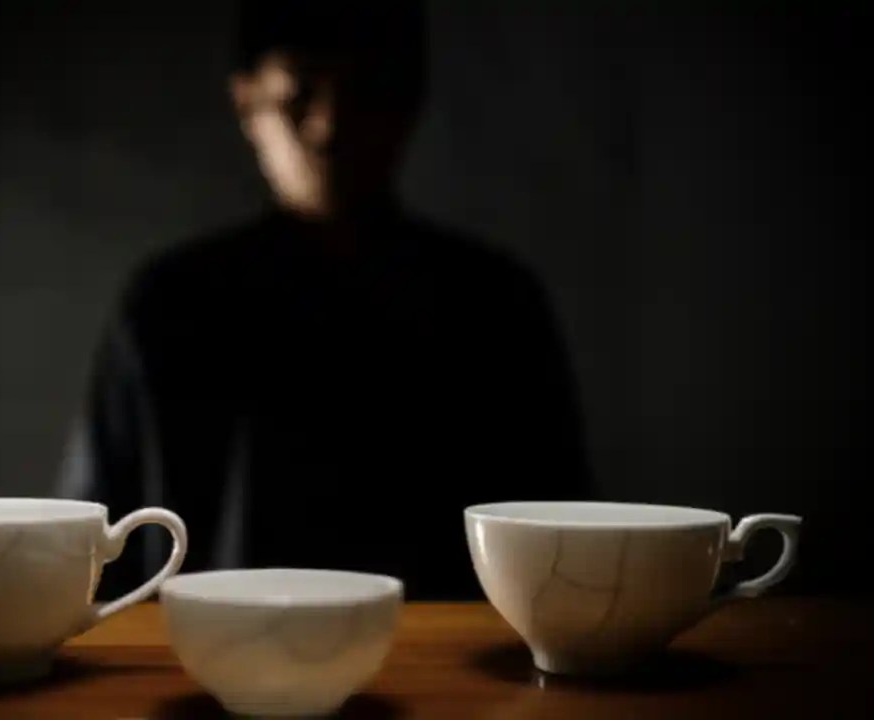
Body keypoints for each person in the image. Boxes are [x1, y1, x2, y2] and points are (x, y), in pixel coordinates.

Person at [63, 0, 592, 599]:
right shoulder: (167, 307)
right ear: (247, 102)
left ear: (407, 103)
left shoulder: (496, 307)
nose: (329, 125)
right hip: (215, 670)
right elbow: (88, 553)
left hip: (449, 676)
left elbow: (567, 555)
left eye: (364, 92)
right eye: (299, 96)